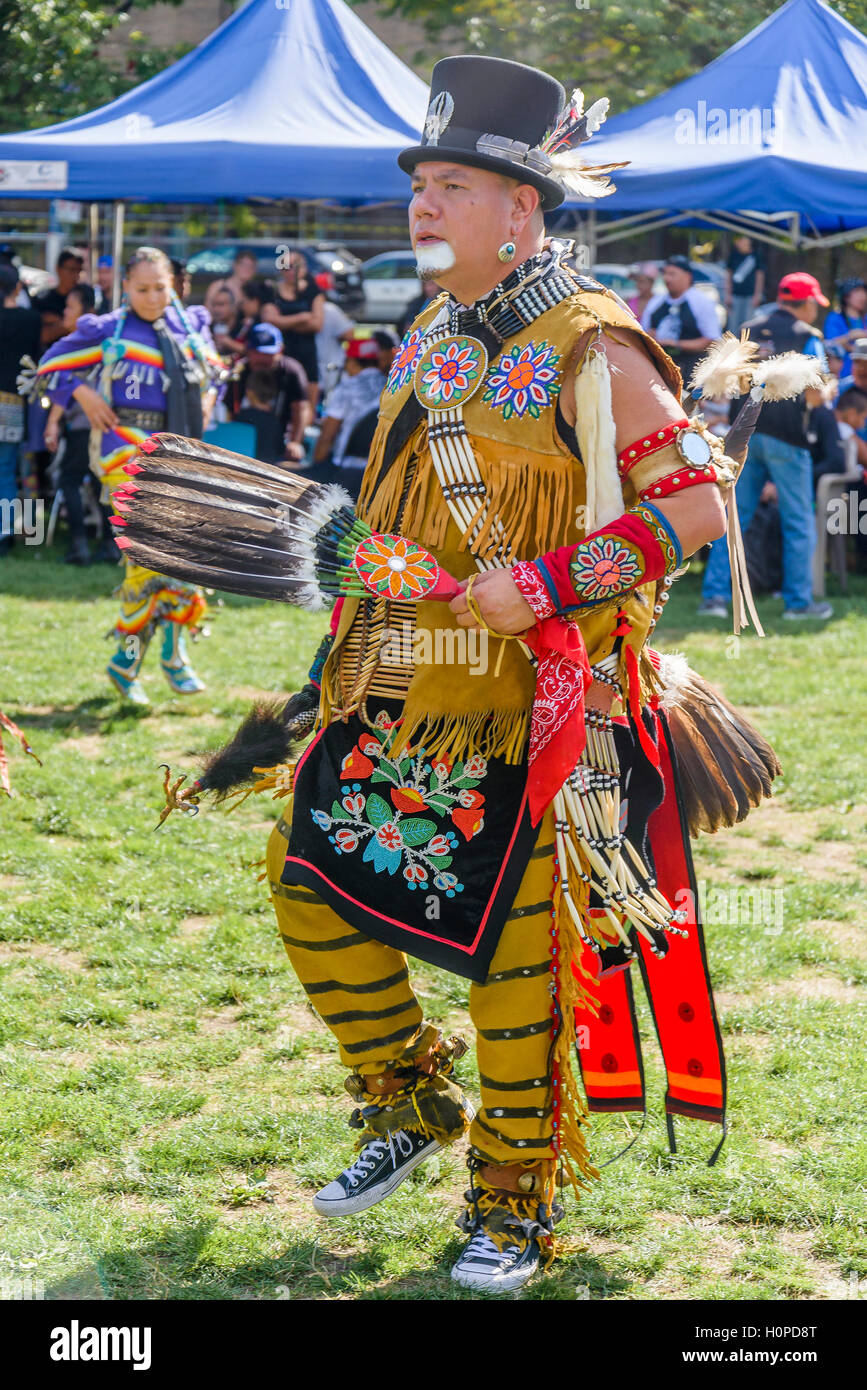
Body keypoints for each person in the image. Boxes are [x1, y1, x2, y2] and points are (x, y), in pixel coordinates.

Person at [156, 58, 785, 1295]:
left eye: (454, 185)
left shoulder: (596, 345)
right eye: (421, 185)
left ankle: (514, 1201)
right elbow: (400, 508)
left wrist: (550, 582)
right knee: (307, 882)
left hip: (538, 709)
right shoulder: (432, 338)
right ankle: (404, 1098)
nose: (425, 207)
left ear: (523, 211)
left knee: (514, 964)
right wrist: (358, 566)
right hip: (404, 684)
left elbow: (702, 508)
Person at [29, 245, 226, 703]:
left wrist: (207, 401)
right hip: (124, 450)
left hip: (180, 452)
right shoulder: (109, 330)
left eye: (161, 287)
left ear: (174, 284)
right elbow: (48, 366)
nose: (154, 296)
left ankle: (158, 656)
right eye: (142, 289)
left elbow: (214, 374)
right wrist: (83, 393)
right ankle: (139, 658)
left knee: (184, 553)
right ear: (125, 287)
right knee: (145, 556)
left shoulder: (190, 326)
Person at [700, 271, 833, 620]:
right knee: (798, 522)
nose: (814, 312)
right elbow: (817, 396)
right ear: (805, 303)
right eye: (814, 305)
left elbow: (723, 381)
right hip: (788, 438)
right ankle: (799, 604)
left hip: (741, 435)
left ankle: (713, 599)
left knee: (730, 519)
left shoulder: (748, 328)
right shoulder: (808, 336)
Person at [43, 283, 118, 565]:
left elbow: (64, 387)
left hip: (83, 426)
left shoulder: (79, 343)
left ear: (87, 312)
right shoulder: (108, 341)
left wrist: (52, 422)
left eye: (70, 307)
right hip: (105, 425)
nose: (65, 311)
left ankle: (79, 546)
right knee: (104, 483)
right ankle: (111, 547)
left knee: (70, 480)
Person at [0, 263, 41, 557]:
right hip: (13, 402)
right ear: (18, 287)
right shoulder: (31, 320)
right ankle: (4, 533)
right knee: (6, 468)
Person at [310, 335, 385, 494]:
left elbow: (327, 435)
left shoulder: (347, 388)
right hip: (381, 474)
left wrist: (314, 471)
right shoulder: (391, 387)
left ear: (351, 361)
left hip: (347, 473)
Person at [642, 254, 720, 384]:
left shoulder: (701, 302)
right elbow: (644, 332)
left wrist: (675, 344)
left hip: (692, 371)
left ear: (687, 276)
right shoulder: (656, 302)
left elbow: (712, 340)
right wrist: (650, 337)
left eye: (672, 274)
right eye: (665, 274)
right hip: (660, 370)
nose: (667, 279)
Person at [237, 323, 310, 460]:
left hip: (280, 439)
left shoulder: (292, 370)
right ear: (247, 350)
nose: (262, 358)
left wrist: (295, 442)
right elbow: (229, 409)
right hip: (243, 438)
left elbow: (301, 408)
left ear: (280, 350)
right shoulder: (240, 371)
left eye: (268, 354)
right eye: (257, 352)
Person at [262, 250, 325, 408]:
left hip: (306, 355)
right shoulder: (272, 290)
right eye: (286, 267)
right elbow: (269, 320)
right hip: (280, 354)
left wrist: (283, 321)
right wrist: (302, 317)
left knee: (305, 404)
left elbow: (316, 324)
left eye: (294, 266)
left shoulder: (313, 291)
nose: (290, 271)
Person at [234, 369, 289, 465]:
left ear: (249, 392)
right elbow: (280, 452)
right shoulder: (275, 422)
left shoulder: (242, 417)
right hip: (266, 471)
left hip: (244, 467)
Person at [32, 247, 85, 347]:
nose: (76, 276)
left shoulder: (85, 296)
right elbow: (41, 336)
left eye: (79, 271)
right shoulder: (42, 299)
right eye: (71, 270)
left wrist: (59, 324)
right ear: (58, 269)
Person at [822, 277, 867, 380]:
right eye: (858, 291)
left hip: (863, 378)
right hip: (840, 376)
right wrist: (852, 336)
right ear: (846, 297)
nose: (863, 296)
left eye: (864, 292)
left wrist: (849, 345)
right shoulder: (834, 318)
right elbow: (830, 344)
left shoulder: (865, 319)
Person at [724, 235, 765, 334]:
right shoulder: (734, 255)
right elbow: (728, 276)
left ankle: (747, 347)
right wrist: (728, 295)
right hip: (735, 294)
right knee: (733, 324)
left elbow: (760, 276)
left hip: (750, 295)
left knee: (748, 324)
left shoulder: (756, 256)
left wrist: (757, 295)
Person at [204, 249, 259, 321]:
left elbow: (253, 314)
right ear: (235, 265)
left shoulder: (254, 291)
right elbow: (207, 312)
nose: (247, 269)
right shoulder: (218, 286)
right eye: (243, 265)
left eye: (251, 267)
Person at [316, 297, 355, 399]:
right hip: (328, 371)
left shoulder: (296, 307)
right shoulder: (329, 309)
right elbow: (349, 335)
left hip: (324, 369)